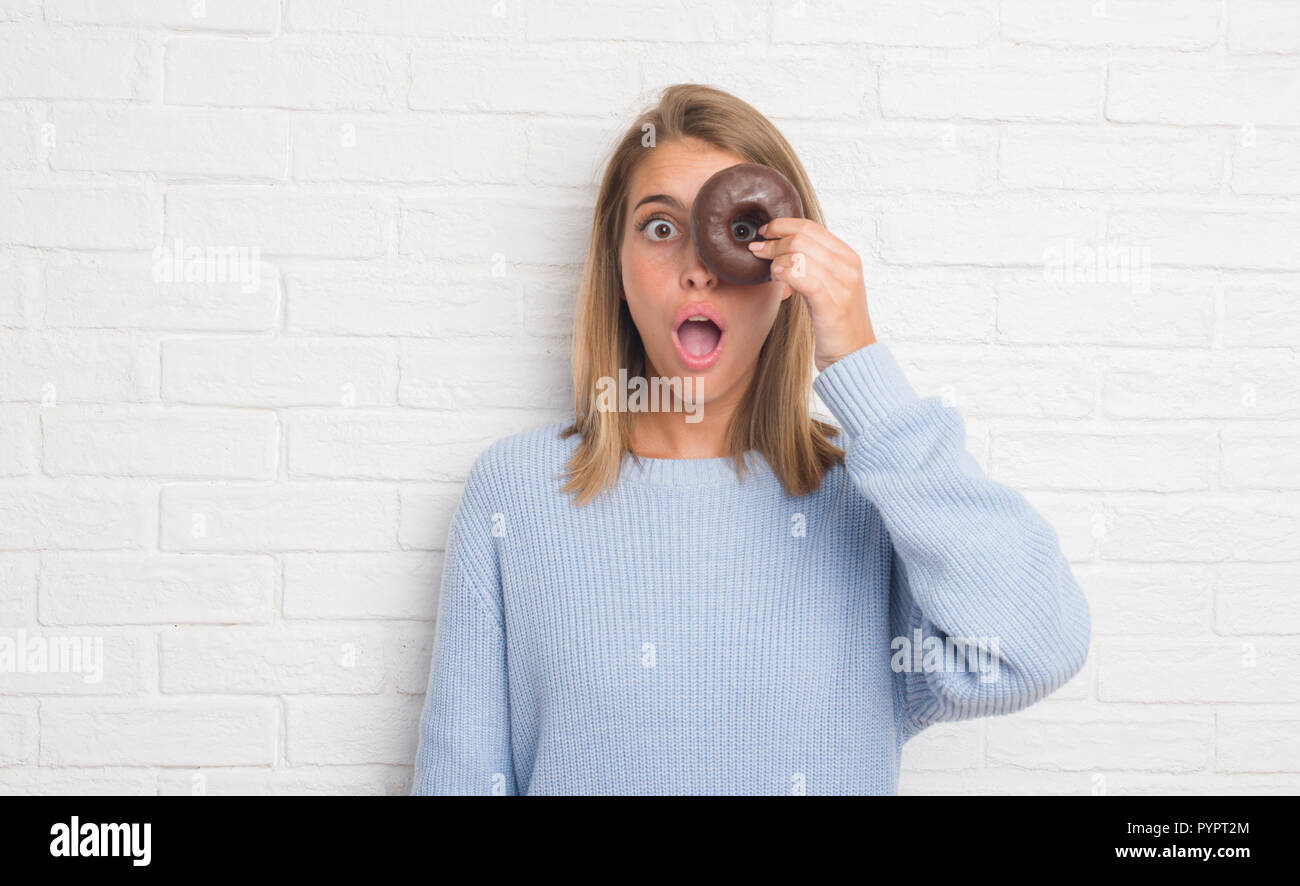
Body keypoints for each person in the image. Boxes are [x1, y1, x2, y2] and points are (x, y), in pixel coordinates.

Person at [410, 83, 1090, 795]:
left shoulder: (870, 503)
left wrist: (860, 364)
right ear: (615, 266)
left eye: (739, 231)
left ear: (787, 269)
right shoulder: (517, 495)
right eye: (661, 228)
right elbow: (460, 778)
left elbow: (1035, 647)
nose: (698, 268)